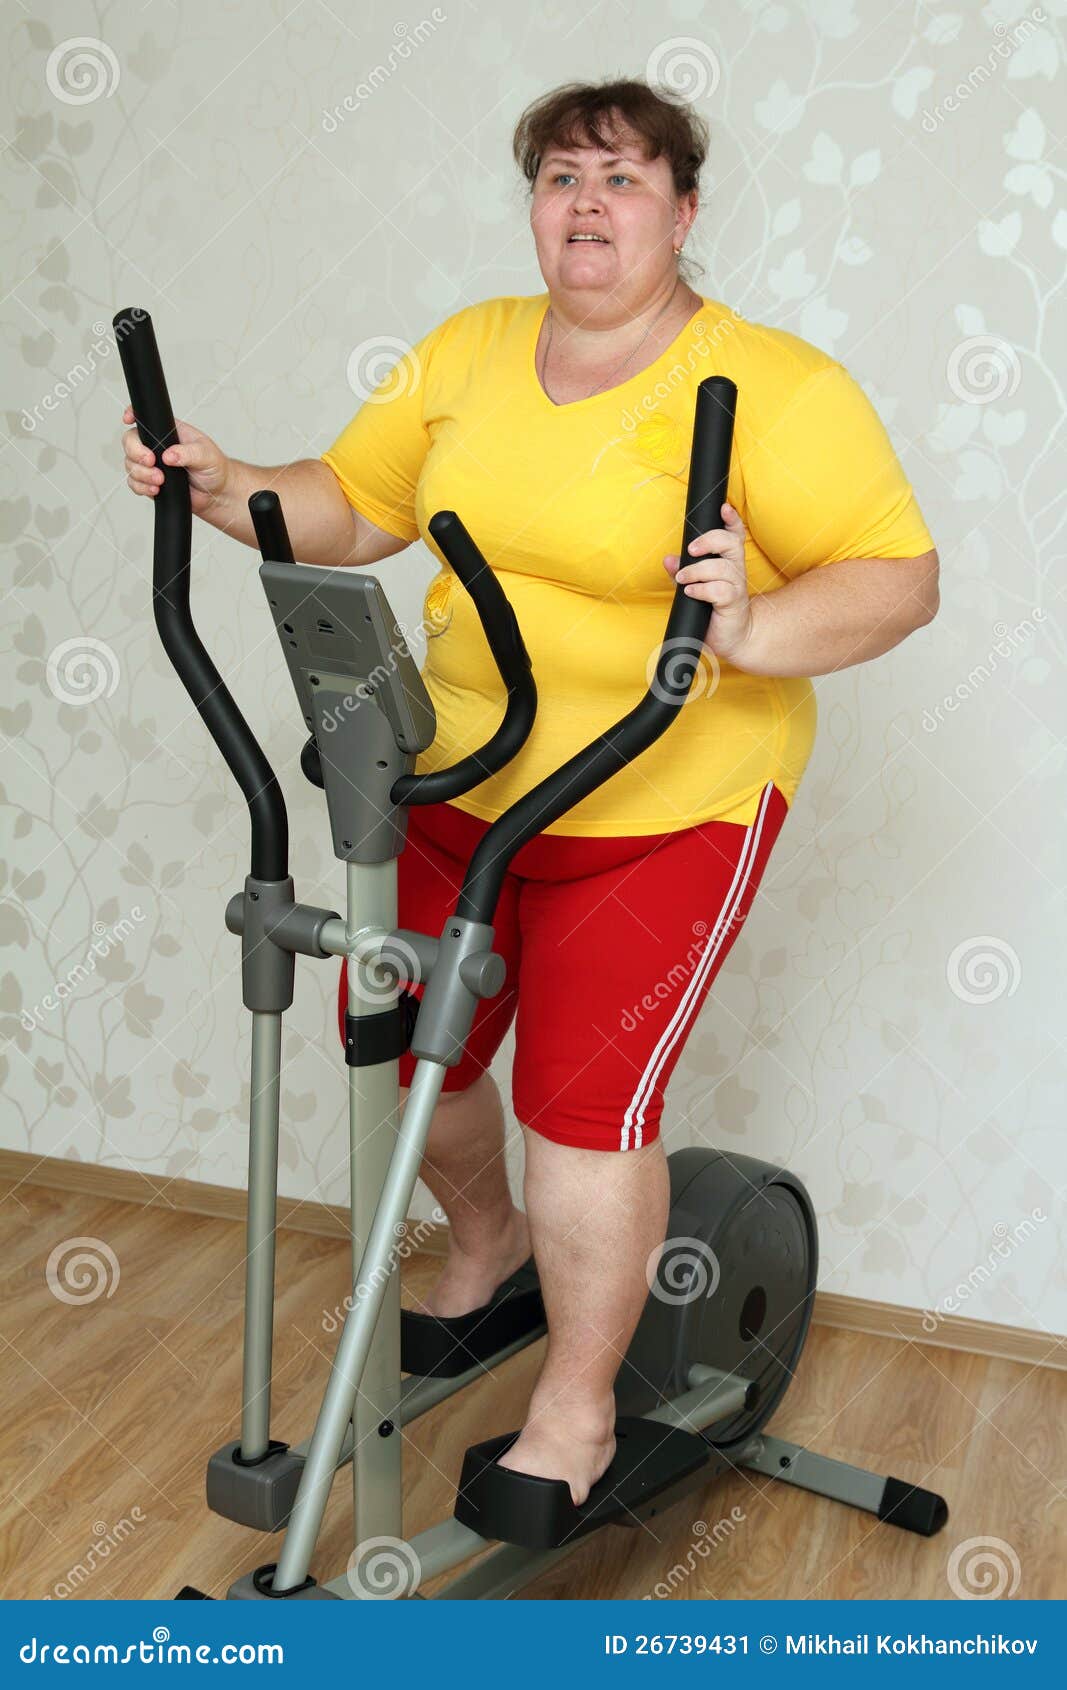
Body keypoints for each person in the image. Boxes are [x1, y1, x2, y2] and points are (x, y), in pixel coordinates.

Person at [122, 77, 938, 1512]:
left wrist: (749, 625)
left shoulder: (778, 387)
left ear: (685, 214)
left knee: (583, 1108)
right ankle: (486, 1243)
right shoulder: (473, 351)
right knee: (396, 1048)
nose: (588, 206)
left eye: (624, 181)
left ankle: (575, 1410)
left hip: (663, 800)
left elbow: (897, 577)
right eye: (564, 177)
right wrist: (227, 482)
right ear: (534, 208)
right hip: (468, 780)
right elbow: (360, 505)